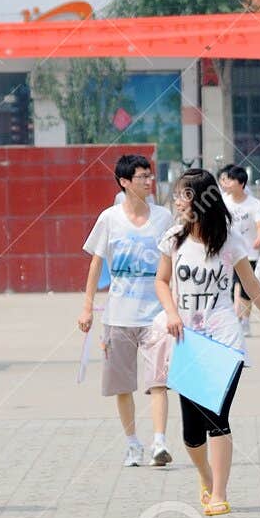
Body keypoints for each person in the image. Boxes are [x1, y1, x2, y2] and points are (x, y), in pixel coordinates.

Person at [155, 169, 260, 516]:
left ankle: (219, 493)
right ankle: (205, 476)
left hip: (224, 337)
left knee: (217, 416)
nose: (177, 202)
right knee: (191, 433)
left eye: (183, 196)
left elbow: (251, 285)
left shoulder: (229, 240)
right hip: (187, 338)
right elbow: (161, 281)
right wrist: (171, 312)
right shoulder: (174, 239)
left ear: (201, 199)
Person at [78, 154, 176, 468]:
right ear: (124, 182)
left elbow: (174, 261)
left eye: (151, 176)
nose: (150, 181)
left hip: (156, 315)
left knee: (159, 381)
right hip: (118, 315)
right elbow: (95, 263)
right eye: (142, 177)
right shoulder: (109, 218)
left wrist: (176, 308)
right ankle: (132, 443)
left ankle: (159, 442)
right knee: (122, 385)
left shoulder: (163, 218)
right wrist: (87, 307)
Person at [217, 164, 260, 335]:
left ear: (241, 183)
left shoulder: (254, 204)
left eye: (231, 180)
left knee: (247, 288)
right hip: (227, 253)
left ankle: (245, 320)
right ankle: (233, 319)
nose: (228, 183)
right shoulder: (223, 201)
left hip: (248, 253)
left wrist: (259, 238)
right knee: (230, 286)